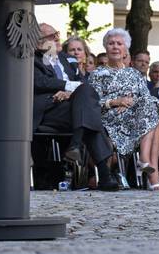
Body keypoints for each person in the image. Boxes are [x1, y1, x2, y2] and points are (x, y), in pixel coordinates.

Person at [91, 28, 159, 191]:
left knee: (154, 114)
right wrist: (117, 102)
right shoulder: (98, 74)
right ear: (106, 48)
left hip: (136, 117)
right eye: (111, 43)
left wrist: (131, 104)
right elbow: (94, 103)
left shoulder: (135, 74)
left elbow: (145, 98)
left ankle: (146, 163)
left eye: (119, 44)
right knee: (154, 118)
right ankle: (151, 175)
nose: (115, 47)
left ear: (125, 50)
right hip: (112, 119)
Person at [33, 23, 118, 191]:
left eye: (57, 33)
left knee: (86, 100)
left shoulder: (66, 59)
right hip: (50, 109)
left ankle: (76, 145)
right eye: (52, 36)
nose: (57, 38)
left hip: (72, 108)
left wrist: (71, 93)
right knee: (89, 114)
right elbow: (40, 82)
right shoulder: (32, 59)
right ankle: (103, 173)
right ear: (38, 42)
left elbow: (83, 85)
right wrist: (68, 87)